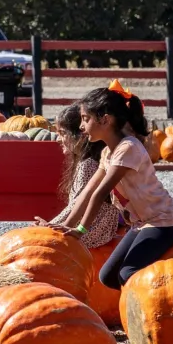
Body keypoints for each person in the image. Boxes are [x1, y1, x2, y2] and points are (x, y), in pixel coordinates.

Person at [52, 82, 173, 289]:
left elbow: (101, 192)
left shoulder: (129, 148)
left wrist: (81, 229)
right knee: (108, 276)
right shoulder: (108, 152)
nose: (81, 127)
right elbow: (87, 192)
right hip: (141, 223)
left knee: (127, 273)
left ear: (105, 120)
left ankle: (156, 309)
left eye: (85, 119)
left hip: (165, 222)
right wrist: (67, 225)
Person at [39, 104, 120, 249]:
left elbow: (78, 204)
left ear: (81, 136)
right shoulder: (85, 162)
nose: (58, 139)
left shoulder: (88, 165)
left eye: (63, 133)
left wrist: (50, 228)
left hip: (93, 228)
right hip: (91, 225)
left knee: (45, 245)